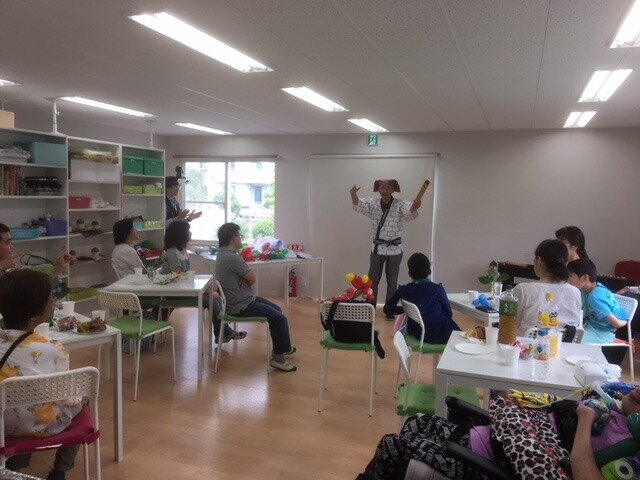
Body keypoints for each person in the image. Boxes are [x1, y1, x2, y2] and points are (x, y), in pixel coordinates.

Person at [358, 385, 640, 480]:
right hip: (490, 436)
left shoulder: (632, 455)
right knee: (415, 423)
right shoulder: (614, 405)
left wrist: (586, 419)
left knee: (392, 447)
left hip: (488, 462)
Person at [0, 269, 81, 480]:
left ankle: (14, 463)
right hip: (37, 426)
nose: (53, 303)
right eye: (50, 300)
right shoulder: (52, 349)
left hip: (1, 425)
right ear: (35, 315)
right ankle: (60, 470)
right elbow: (66, 397)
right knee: (80, 400)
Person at [215, 222, 296, 372]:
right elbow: (252, 278)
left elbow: (248, 279)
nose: (241, 238)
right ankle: (278, 359)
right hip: (240, 305)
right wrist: (246, 279)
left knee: (277, 309)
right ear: (233, 238)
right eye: (240, 236)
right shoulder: (232, 258)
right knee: (279, 318)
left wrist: (245, 279)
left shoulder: (222, 254)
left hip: (243, 299)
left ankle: (282, 347)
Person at [160, 220, 245, 344]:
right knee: (213, 301)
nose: (190, 233)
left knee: (216, 298)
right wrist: (204, 290)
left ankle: (223, 333)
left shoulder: (182, 251)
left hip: (185, 289)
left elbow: (186, 276)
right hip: (176, 292)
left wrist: (205, 289)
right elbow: (177, 277)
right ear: (180, 234)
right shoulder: (173, 252)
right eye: (188, 231)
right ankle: (223, 333)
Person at [351, 179, 421, 319]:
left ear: (393, 189)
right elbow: (358, 204)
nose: (385, 190)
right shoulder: (373, 203)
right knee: (372, 281)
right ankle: (370, 307)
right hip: (377, 248)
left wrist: (415, 207)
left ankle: (389, 309)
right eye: (382, 188)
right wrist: (353, 194)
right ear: (378, 189)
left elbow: (410, 211)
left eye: (388, 187)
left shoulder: (400, 204)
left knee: (392, 281)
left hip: (395, 249)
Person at [383, 253, 460, 344]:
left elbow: (387, 309)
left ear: (409, 274)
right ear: (429, 271)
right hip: (443, 333)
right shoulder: (438, 289)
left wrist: (408, 310)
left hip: (419, 333)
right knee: (464, 337)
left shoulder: (403, 290)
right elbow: (449, 313)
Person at [514, 239, 582, 337]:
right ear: (565, 263)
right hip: (563, 346)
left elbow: (511, 327)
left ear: (539, 261)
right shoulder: (575, 292)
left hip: (527, 345)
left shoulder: (523, 290)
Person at [567, 258, 629, 344]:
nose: (568, 279)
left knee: (573, 341)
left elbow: (617, 324)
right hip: (591, 325)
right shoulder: (594, 287)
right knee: (567, 334)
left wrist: (626, 320)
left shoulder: (595, 297)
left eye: (571, 276)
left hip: (603, 333)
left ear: (585, 278)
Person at [0, 223, 71, 279]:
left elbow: (40, 285)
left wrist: (60, 266)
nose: (12, 247)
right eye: (7, 243)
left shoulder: (11, 268)